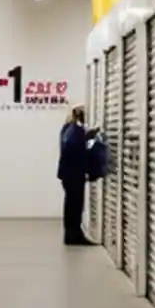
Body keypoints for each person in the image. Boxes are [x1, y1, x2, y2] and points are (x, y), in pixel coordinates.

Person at [57, 105, 95, 246]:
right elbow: (77, 151)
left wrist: (87, 136)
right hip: (74, 174)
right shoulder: (76, 130)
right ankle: (75, 236)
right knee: (75, 206)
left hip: (67, 174)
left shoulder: (66, 129)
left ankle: (71, 235)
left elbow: (73, 146)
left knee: (70, 206)